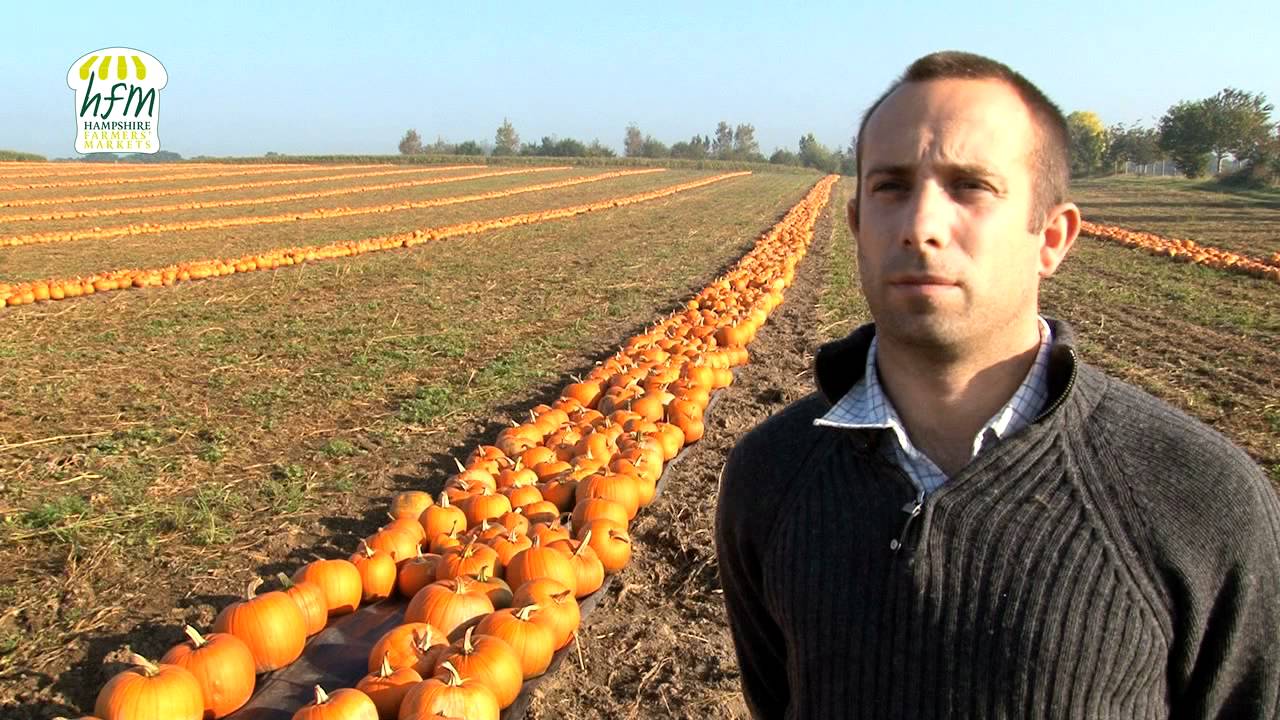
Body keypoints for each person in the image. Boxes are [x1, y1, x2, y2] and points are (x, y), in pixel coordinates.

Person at [714, 50, 1280, 719]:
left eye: (970, 187)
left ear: (1053, 237)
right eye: (891, 187)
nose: (920, 226)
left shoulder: (1200, 497)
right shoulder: (770, 478)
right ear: (858, 227)